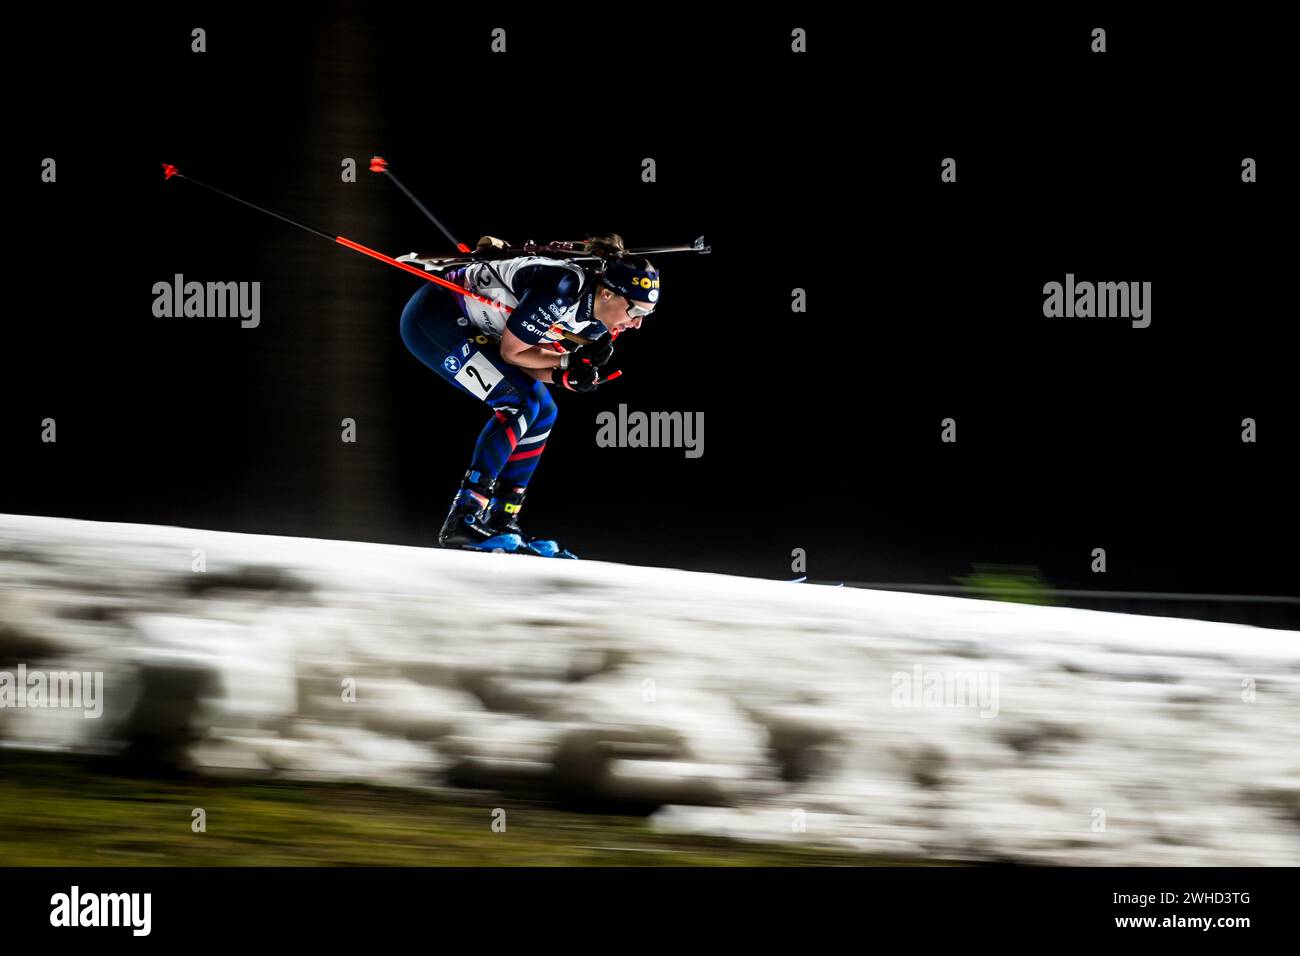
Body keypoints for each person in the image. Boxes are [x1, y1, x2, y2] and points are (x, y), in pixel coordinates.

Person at [398, 235, 660, 558]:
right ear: (607, 292)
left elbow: (532, 359)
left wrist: (566, 375)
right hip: (435, 317)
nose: (637, 324)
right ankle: (463, 518)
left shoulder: (598, 326)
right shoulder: (563, 288)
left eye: (647, 314)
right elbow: (512, 353)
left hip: (478, 328)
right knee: (520, 404)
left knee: (544, 412)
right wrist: (565, 364)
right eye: (635, 311)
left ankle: (502, 518)